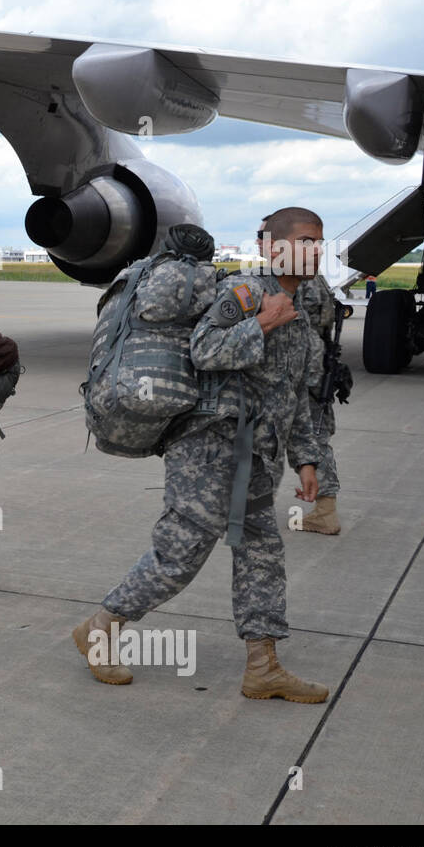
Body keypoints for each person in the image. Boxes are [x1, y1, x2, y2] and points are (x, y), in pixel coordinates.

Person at [72, 208, 329, 703]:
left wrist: (306, 459)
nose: (314, 250)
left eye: (319, 242)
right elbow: (204, 350)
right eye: (304, 241)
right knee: (180, 553)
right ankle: (100, 628)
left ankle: (263, 667)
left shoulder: (304, 305)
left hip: (258, 458)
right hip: (209, 450)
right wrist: (263, 325)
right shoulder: (247, 294)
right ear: (274, 248)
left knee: (262, 556)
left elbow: (295, 394)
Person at [288, 220, 342, 534]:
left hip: (300, 372)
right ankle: (325, 509)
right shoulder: (317, 279)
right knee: (317, 438)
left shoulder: (295, 280)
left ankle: (325, 512)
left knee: (311, 439)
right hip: (317, 369)